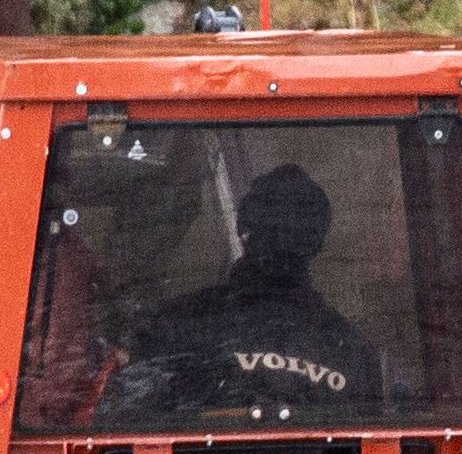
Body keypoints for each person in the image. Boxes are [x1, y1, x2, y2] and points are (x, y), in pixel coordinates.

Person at [107, 163, 379, 425]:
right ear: (317, 244)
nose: (278, 242)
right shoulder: (353, 351)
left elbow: (125, 441)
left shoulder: (176, 325)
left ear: (242, 229)